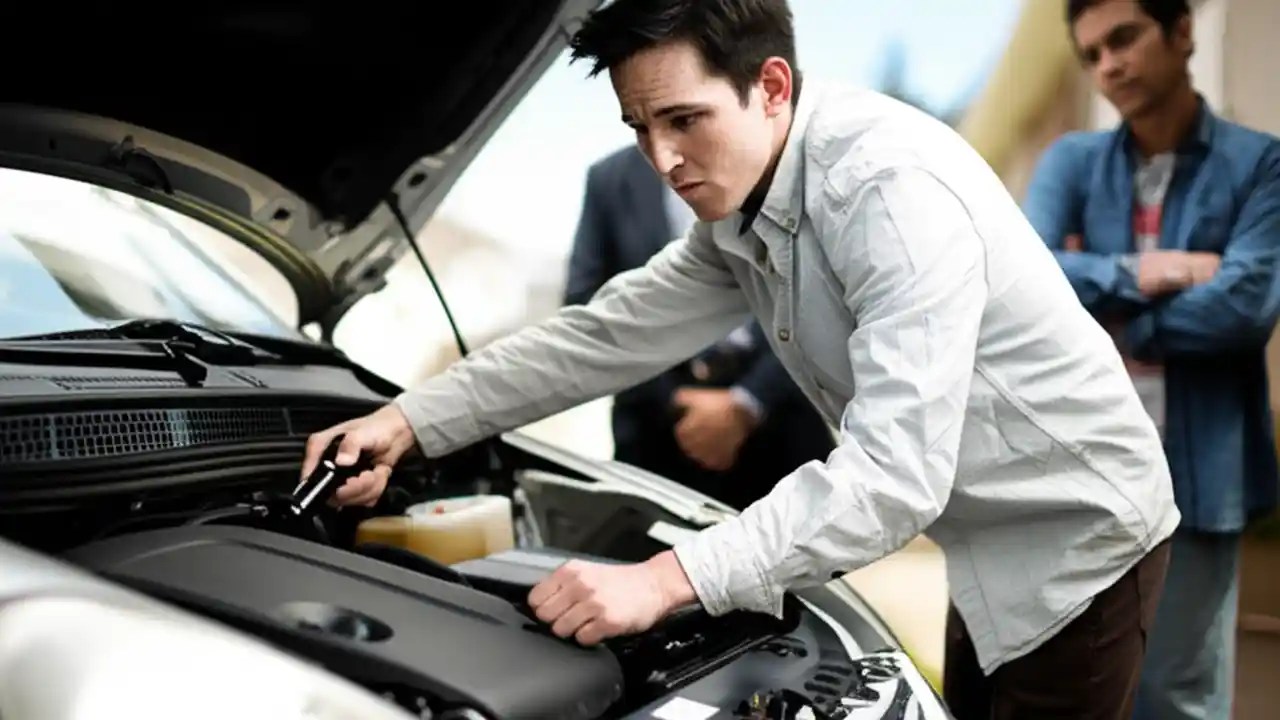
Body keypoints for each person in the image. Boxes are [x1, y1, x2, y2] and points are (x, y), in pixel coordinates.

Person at [302, 1, 1179, 716]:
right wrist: (407, 420)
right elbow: (602, 334)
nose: (663, 161)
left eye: (684, 119)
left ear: (770, 86)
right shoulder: (741, 210)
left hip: (1078, 540)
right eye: (641, 127)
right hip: (985, 541)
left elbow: (894, 477)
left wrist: (669, 579)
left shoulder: (886, 193)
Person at [1022, 2, 1280, 718]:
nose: (1109, 65)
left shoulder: (1260, 162)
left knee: (1178, 694)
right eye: (1093, 53)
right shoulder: (1071, 161)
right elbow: (1029, 277)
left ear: (1183, 31)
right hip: (1084, 470)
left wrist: (1113, 315)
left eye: (1125, 38)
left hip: (1199, 471)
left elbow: (1246, 306)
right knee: (1085, 691)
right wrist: (1153, 273)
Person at [564, 143, 835, 510]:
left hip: (781, 426)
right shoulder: (609, 179)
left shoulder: (789, 169)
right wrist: (670, 398)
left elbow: (820, 295)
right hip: (656, 435)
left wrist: (749, 401)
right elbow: (586, 305)